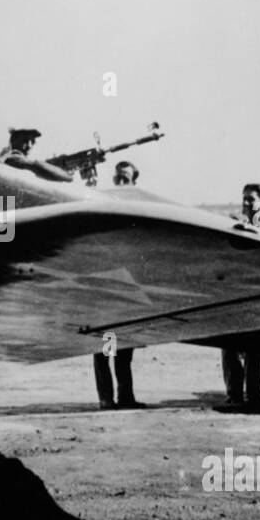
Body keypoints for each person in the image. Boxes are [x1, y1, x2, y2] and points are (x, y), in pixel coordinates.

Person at [221, 183, 260, 406]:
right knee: (230, 347)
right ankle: (234, 394)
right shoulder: (235, 223)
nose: (246, 203)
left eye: (252, 199)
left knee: (255, 349)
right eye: (244, 198)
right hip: (237, 292)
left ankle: (253, 396)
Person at [94, 160, 143, 409]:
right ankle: (106, 398)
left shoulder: (138, 206)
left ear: (134, 180)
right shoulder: (104, 201)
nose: (121, 181)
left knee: (123, 352)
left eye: (126, 178)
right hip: (106, 291)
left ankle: (125, 397)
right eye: (119, 177)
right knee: (105, 350)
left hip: (126, 291)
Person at [0, 128, 73, 182]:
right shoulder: (13, 158)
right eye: (26, 141)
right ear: (15, 141)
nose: (30, 145)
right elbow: (35, 166)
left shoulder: (9, 159)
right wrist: (66, 175)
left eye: (33, 142)